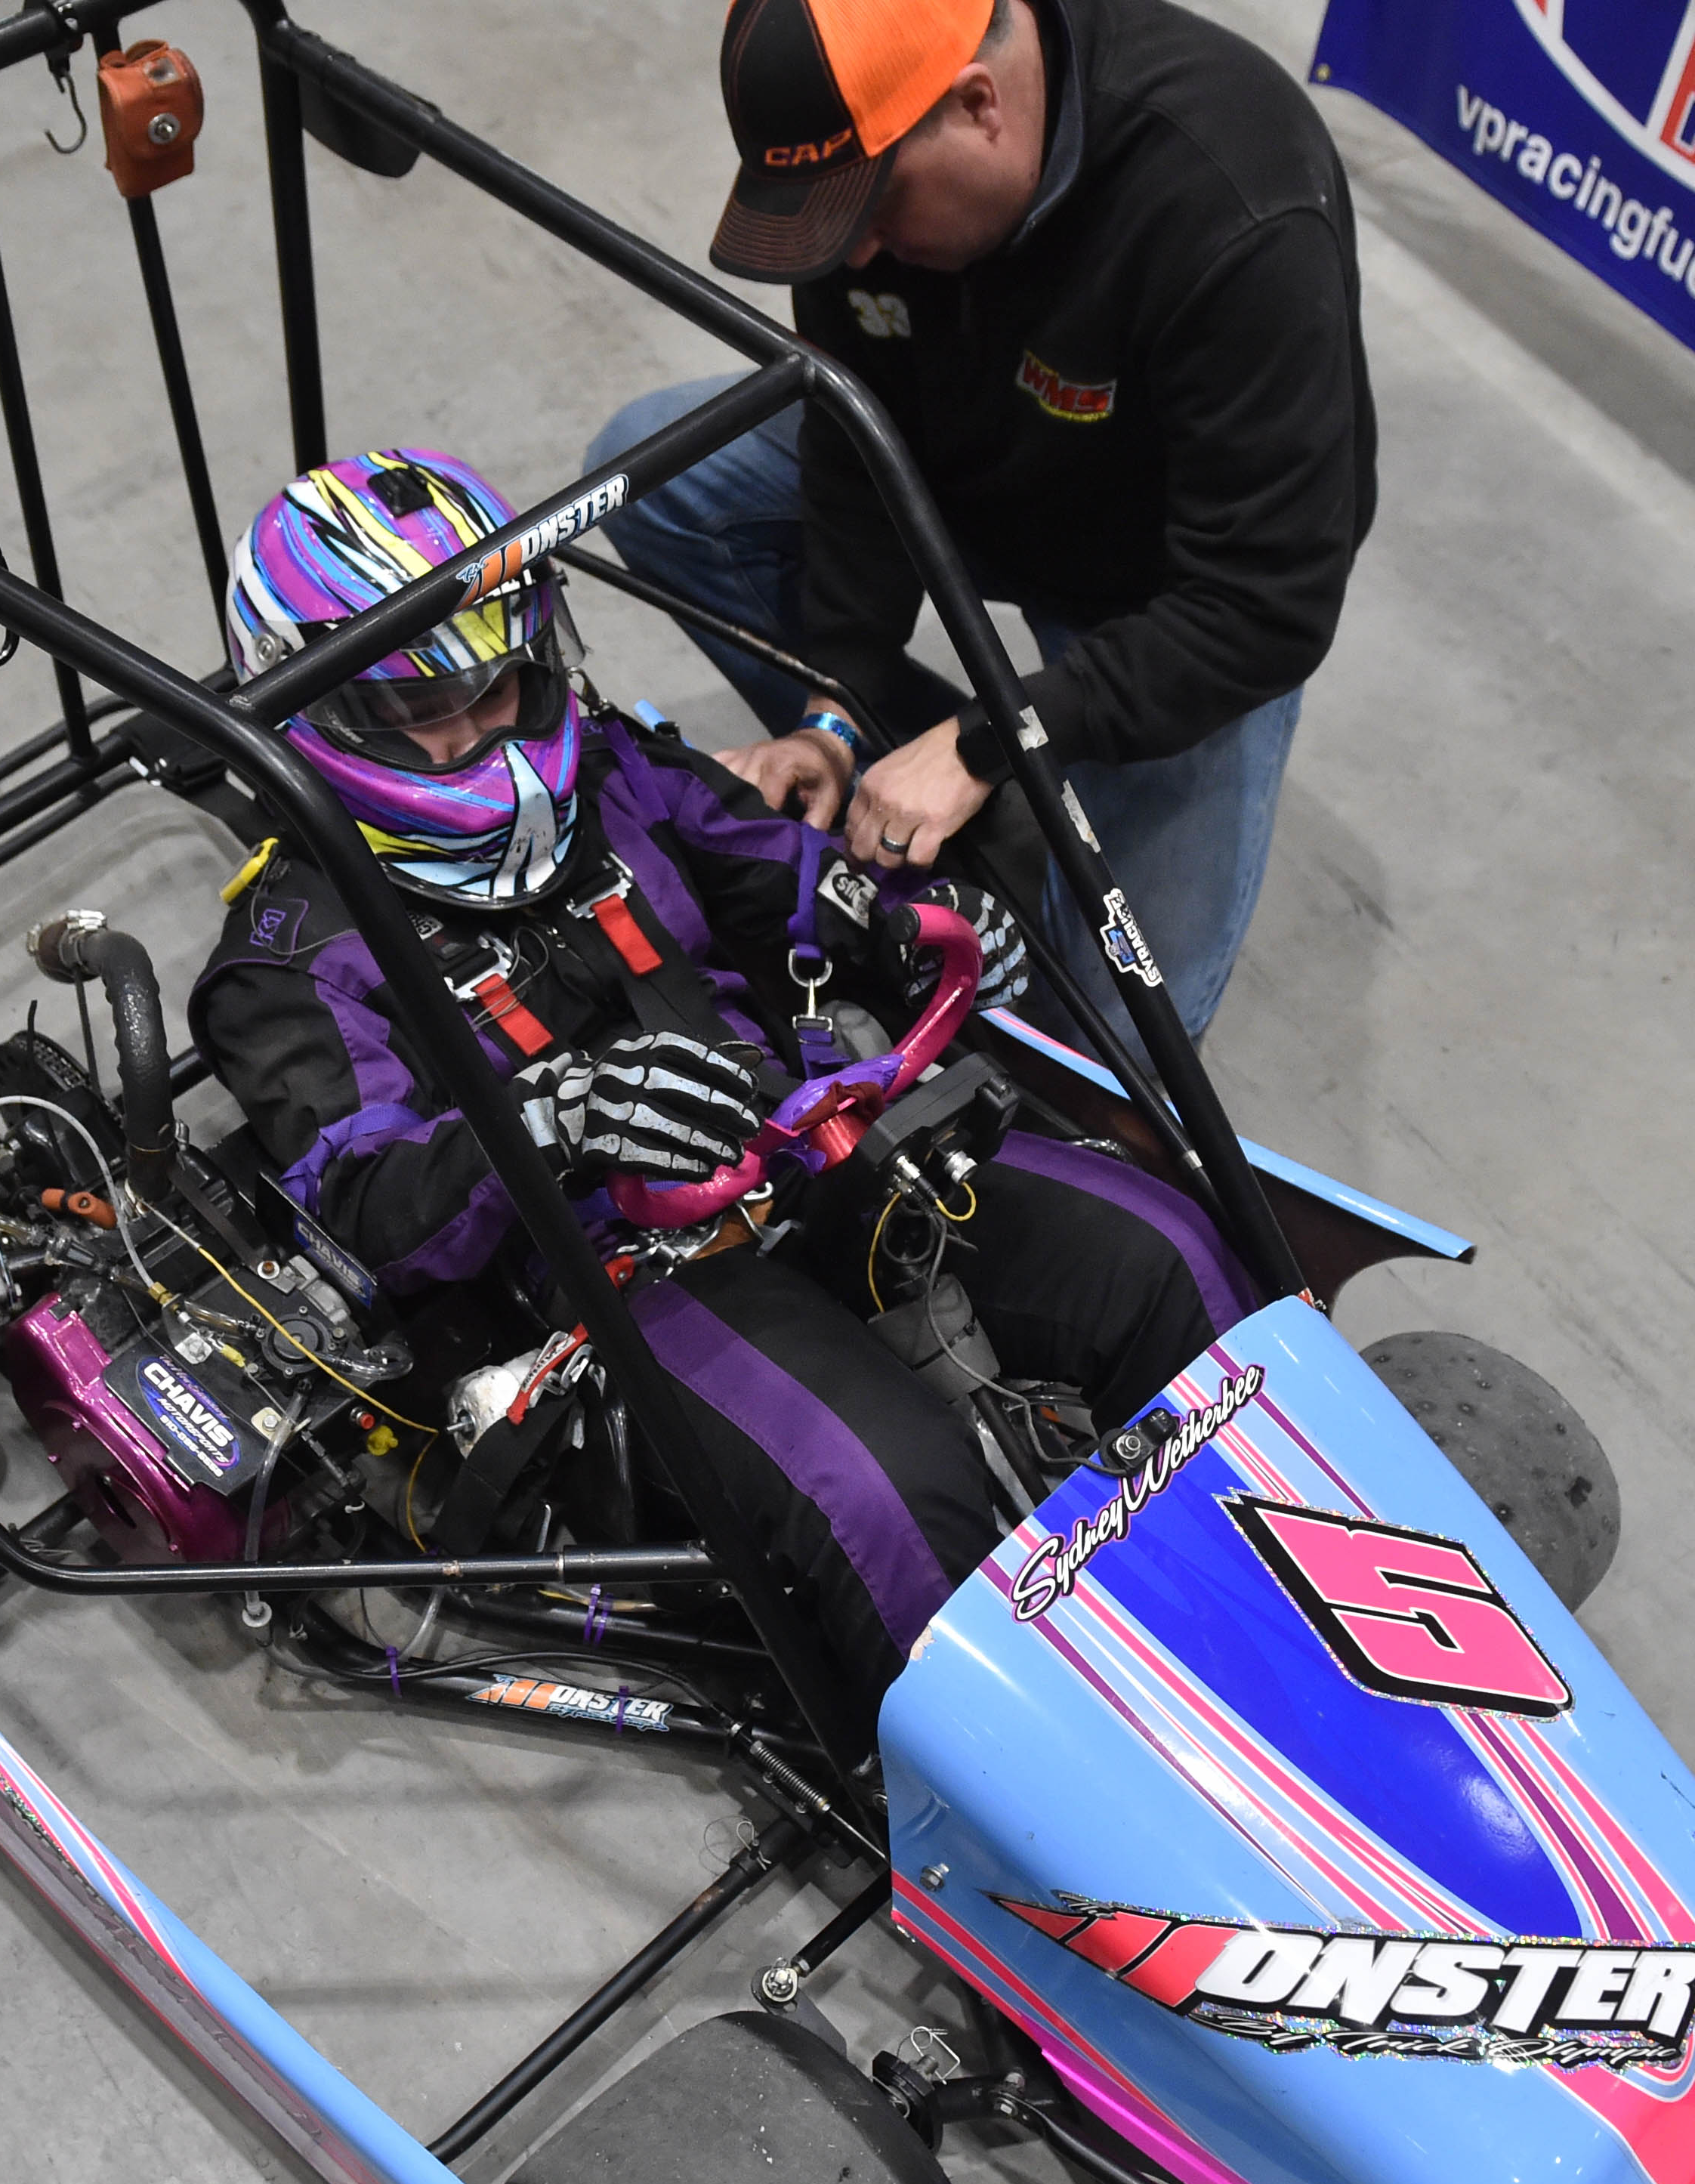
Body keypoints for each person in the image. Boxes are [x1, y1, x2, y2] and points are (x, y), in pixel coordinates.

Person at [192, 450, 1254, 1719]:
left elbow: (776, 869)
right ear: (332, 719)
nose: (491, 731)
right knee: (893, 1493)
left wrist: (909, 918)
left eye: (511, 682)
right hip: (611, 1284)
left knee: (1167, 1256)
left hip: (814, 1129)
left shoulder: (614, 768)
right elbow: (364, 1211)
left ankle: (1299, 1621)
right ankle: (1049, 1813)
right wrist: (558, 1121)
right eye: (437, 709)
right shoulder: (288, 958)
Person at [588, 0, 1376, 1046]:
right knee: (652, 465)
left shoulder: (1233, 201)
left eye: (873, 204)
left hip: (1160, 593)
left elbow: (1268, 603)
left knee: (1111, 1046)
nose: (855, 251)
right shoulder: (864, 219)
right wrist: (834, 709)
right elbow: (853, 443)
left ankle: (1008, 767)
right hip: (969, 479)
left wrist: (996, 735)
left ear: (978, 106)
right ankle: (952, 776)